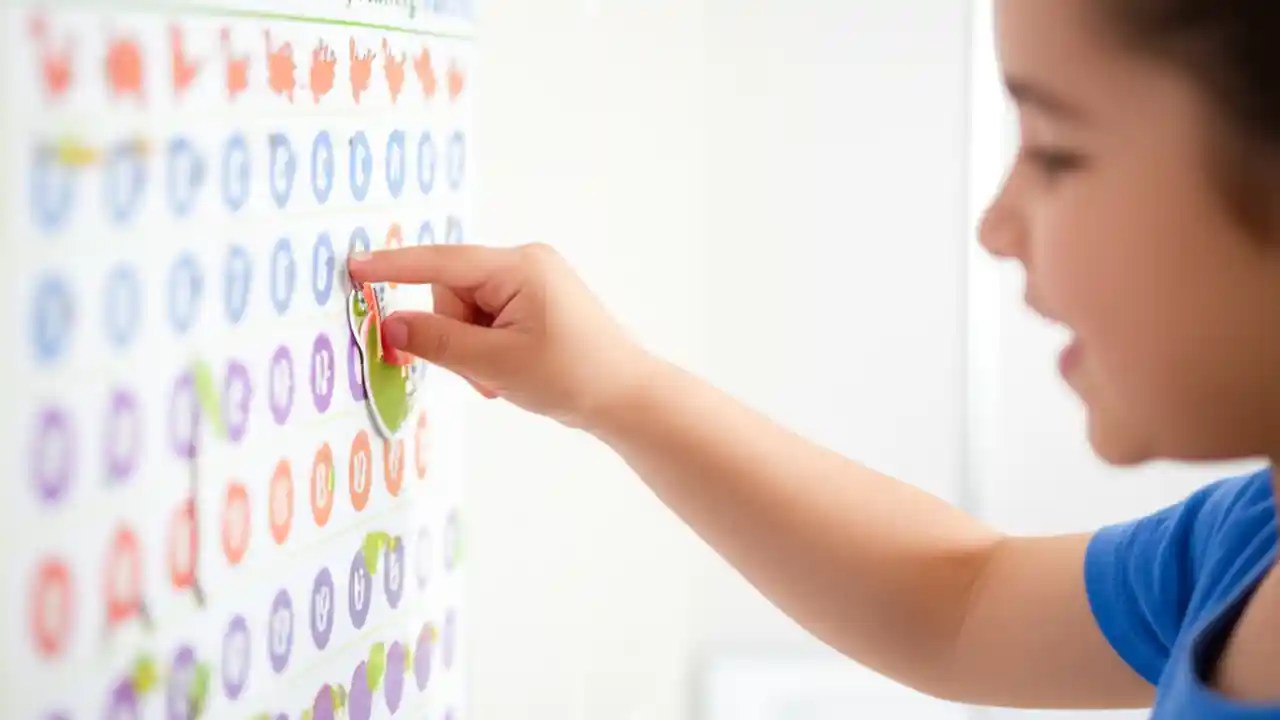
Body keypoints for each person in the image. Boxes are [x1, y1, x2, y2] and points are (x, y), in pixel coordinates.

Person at [350, 0, 1280, 715]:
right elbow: (956, 600)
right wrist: (614, 388)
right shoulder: (1246, 545)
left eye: (1056, 152)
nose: (996, 226)